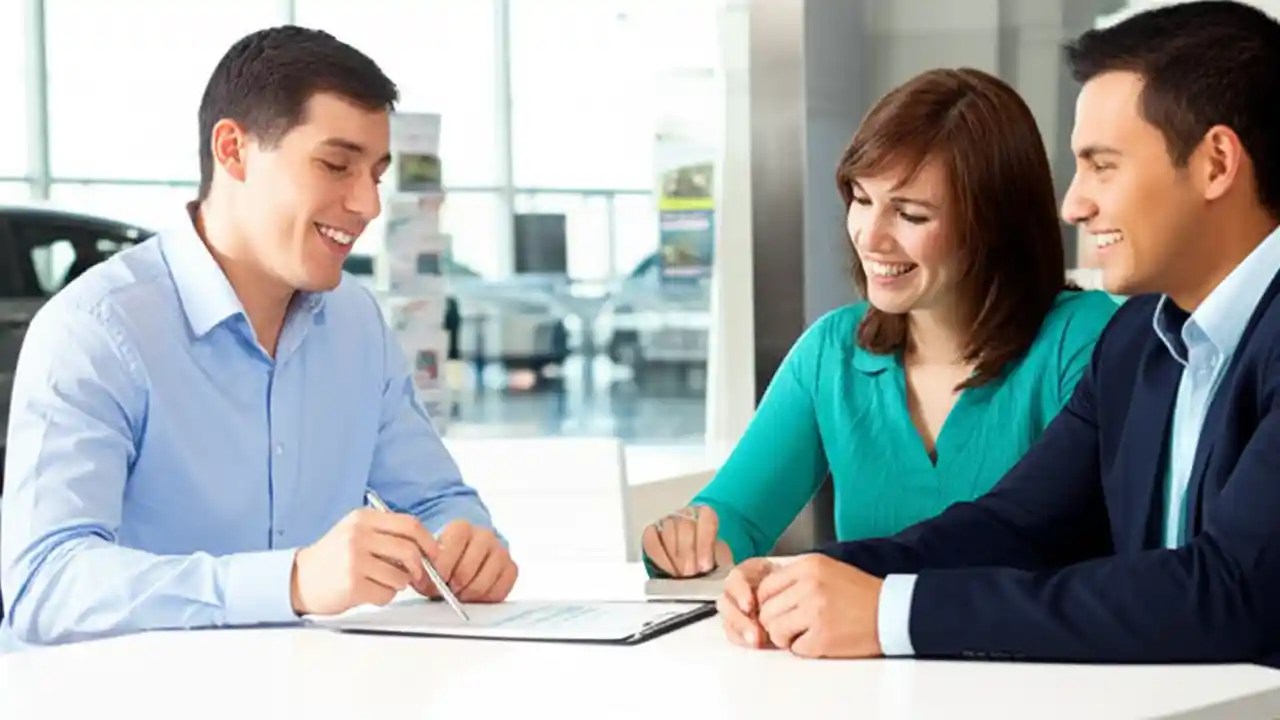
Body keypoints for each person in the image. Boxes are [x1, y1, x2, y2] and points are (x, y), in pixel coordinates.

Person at [717, 0, 1280, 666]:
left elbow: (1232, 593)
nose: (1074, 203)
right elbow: (1012, 527)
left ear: (1216, 163)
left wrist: (893, 614)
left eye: (1103, 166)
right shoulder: (1138, 344)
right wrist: (811, 578)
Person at [0, 26, 517, 648]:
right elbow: (43, 585)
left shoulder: (356, 325)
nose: (368, 205)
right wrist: (290, 581)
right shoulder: (97, 330)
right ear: (233, 151)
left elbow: (438, 499)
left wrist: (467, 544)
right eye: (335, 165)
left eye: (376, 173)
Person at [641, 67, 1118, 578]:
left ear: (994, 224)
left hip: (1040, 657)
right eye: (861, 200)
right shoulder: (832, 353)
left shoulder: (1084, 340)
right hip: (870, 657)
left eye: (911, 215)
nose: (870, 237)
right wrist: (689, 542)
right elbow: (734, 516)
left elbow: (1063, 547)